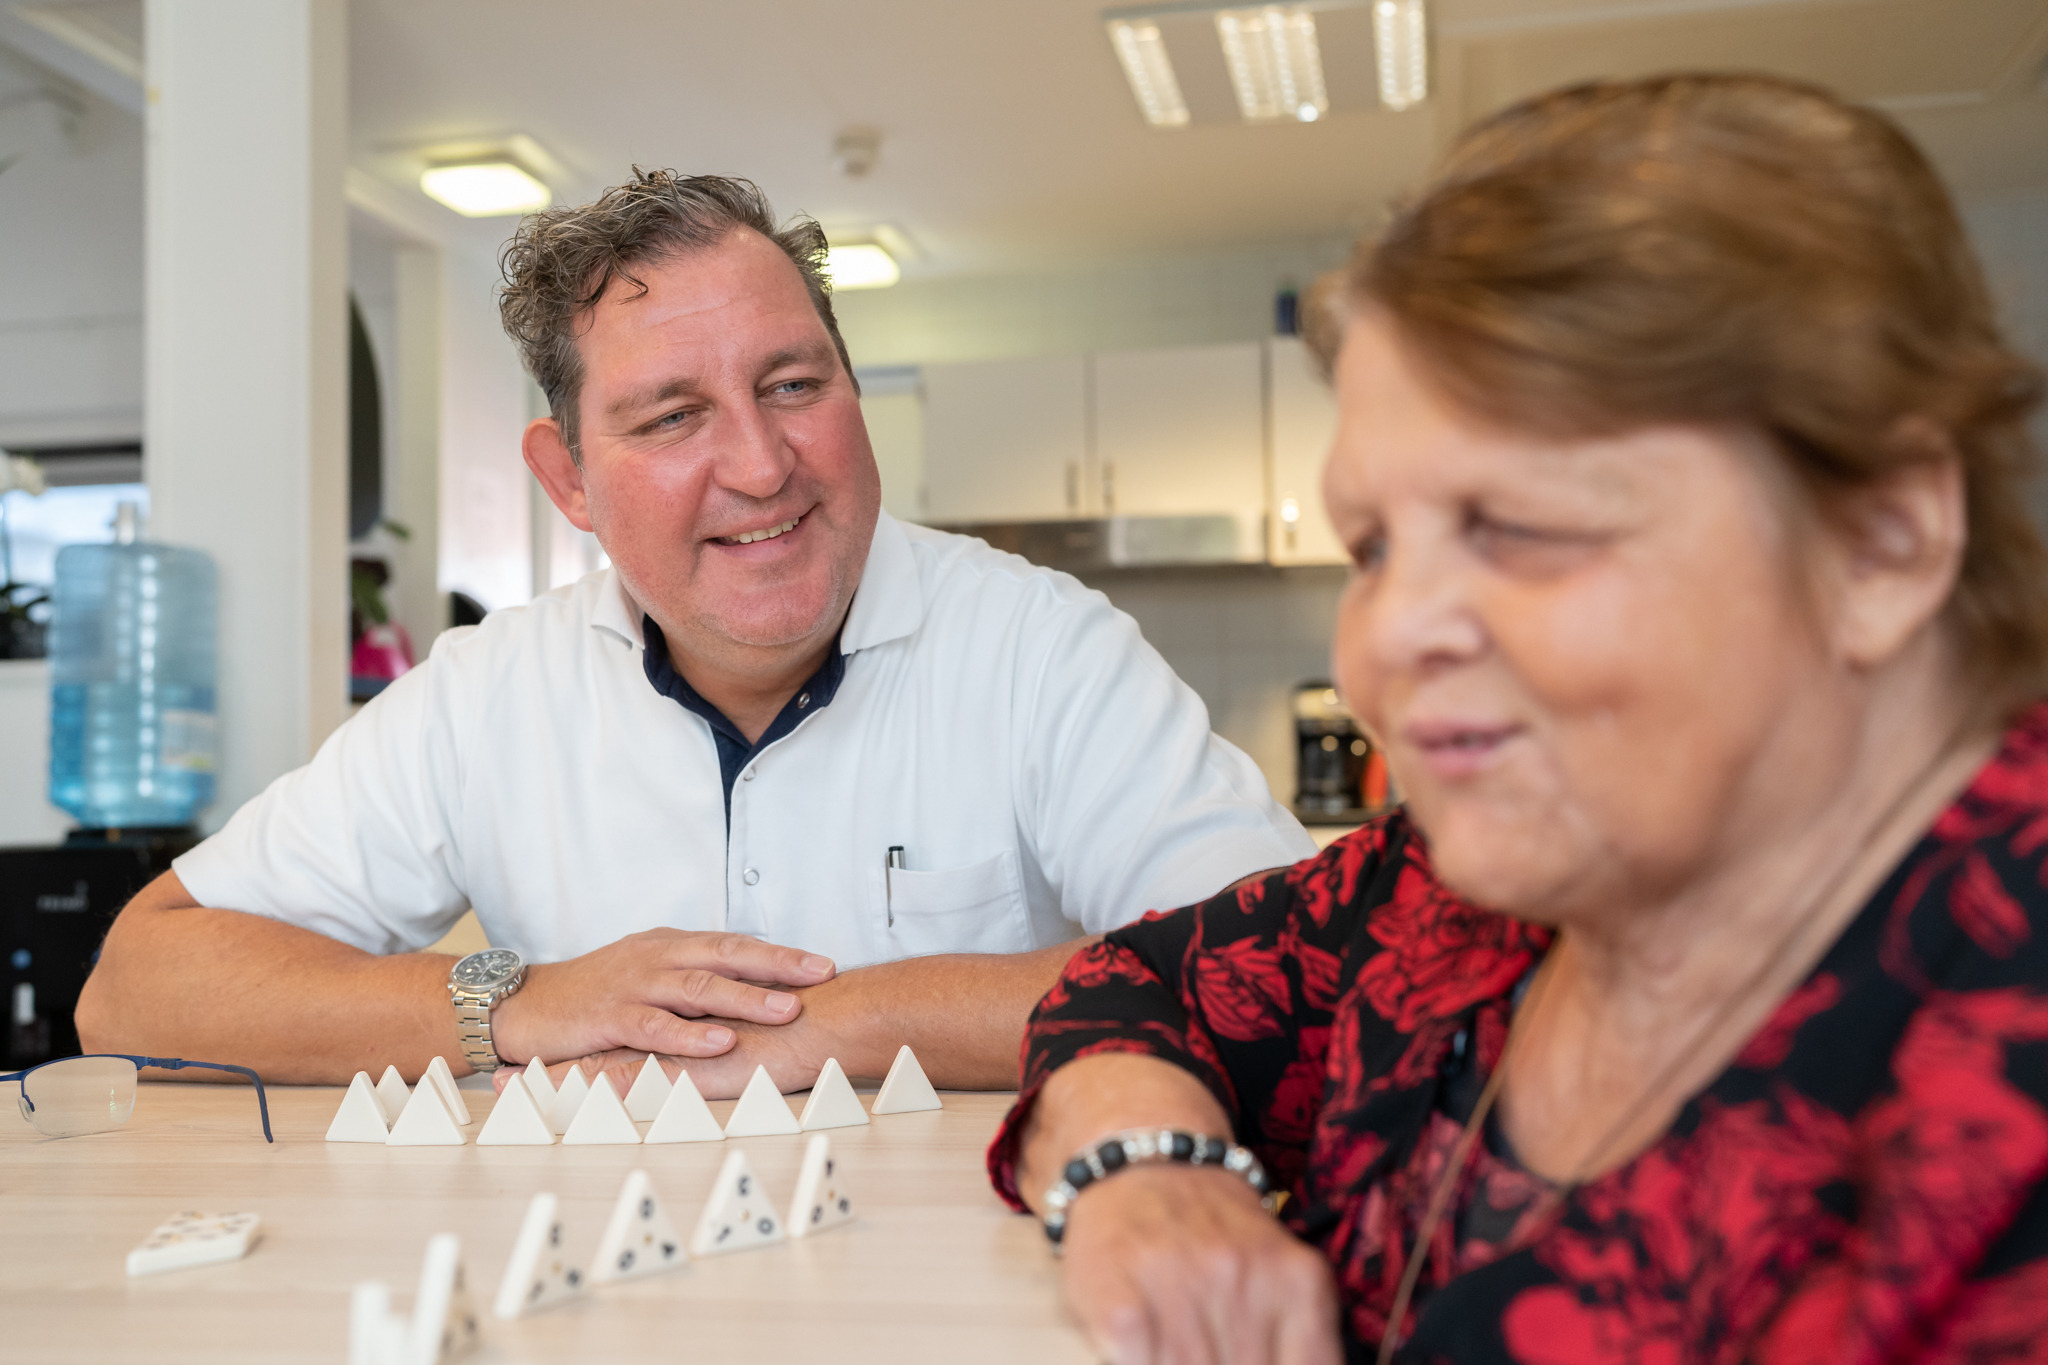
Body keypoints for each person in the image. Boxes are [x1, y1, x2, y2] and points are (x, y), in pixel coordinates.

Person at [993, 73, 2048, 1364]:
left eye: (1519, 527)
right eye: (1373, 546)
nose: (1381, 642)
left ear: (1885, 544)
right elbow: (1133, 985)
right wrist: (1152, 1169)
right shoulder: (1437, 895)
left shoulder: (2002, 1067)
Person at [76, 172, 1313, 1099]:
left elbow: (1281, 967)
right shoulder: (488, 693)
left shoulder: (1040, 647)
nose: (762, 465)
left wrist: (859, 1020)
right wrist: (514, 1001)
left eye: (793, 385)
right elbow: (135, 990)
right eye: (671, 417)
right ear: (568, 483)